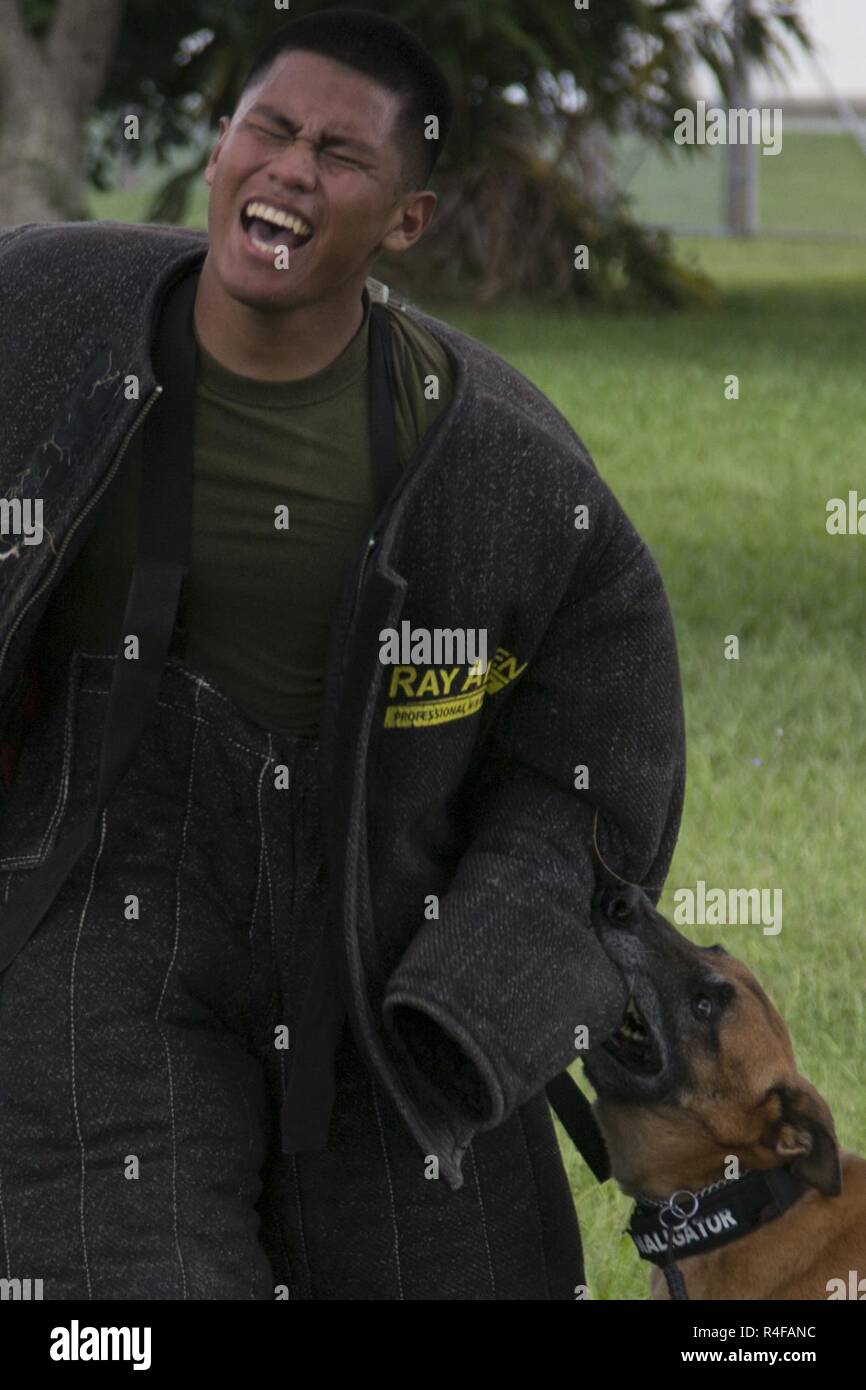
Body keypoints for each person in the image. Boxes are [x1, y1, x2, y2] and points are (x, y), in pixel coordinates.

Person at [0, 9, 685, 1300]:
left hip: (385, 952)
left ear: (405, 222)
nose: (290, 169)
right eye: (266, 128)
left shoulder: (506, 470)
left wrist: (483, 995)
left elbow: (599, 774)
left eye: (338, 153)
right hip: (95, 912)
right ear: (217, 149)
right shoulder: (38, 319)